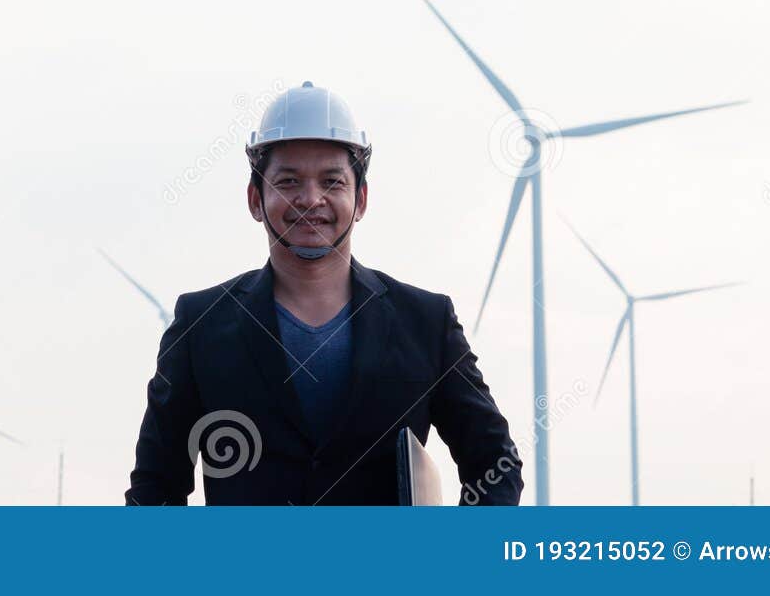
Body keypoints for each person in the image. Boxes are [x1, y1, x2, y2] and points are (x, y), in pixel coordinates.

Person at [125, 81, 523, 505]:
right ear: (255, 199)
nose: (310, 199)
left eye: (332, 181)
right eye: (288, 181)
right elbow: (155, 486)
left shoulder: (426, 322)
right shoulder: (199, 325)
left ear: (361, 198)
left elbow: (496, 463)